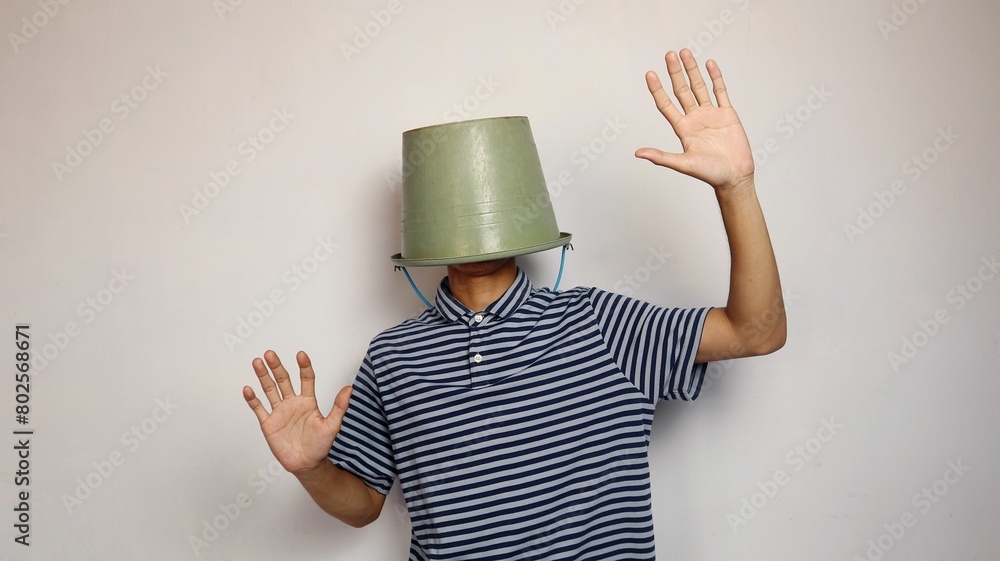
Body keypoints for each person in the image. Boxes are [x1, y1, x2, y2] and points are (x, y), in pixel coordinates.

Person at [243, 48, 786, 560]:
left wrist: (736, 187)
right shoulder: (392, 356)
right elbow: (363, 505)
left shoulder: (602, 325)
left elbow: (756, 332)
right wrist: (310, 469)